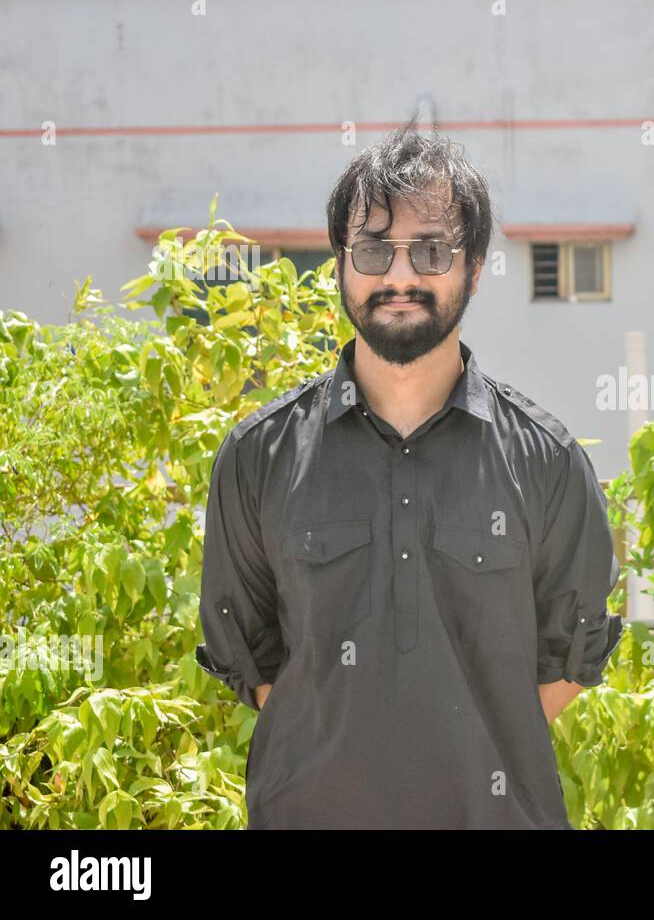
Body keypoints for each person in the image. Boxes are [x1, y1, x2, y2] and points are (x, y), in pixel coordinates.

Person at [193, 125, 623, 828]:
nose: (399, 276)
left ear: (476, 266)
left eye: (431, 249)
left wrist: (456, 752)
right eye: (372, 250)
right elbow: (252, 655)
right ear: (339, 264)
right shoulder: (257, 457)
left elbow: (571, 658)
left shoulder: (545, 459)